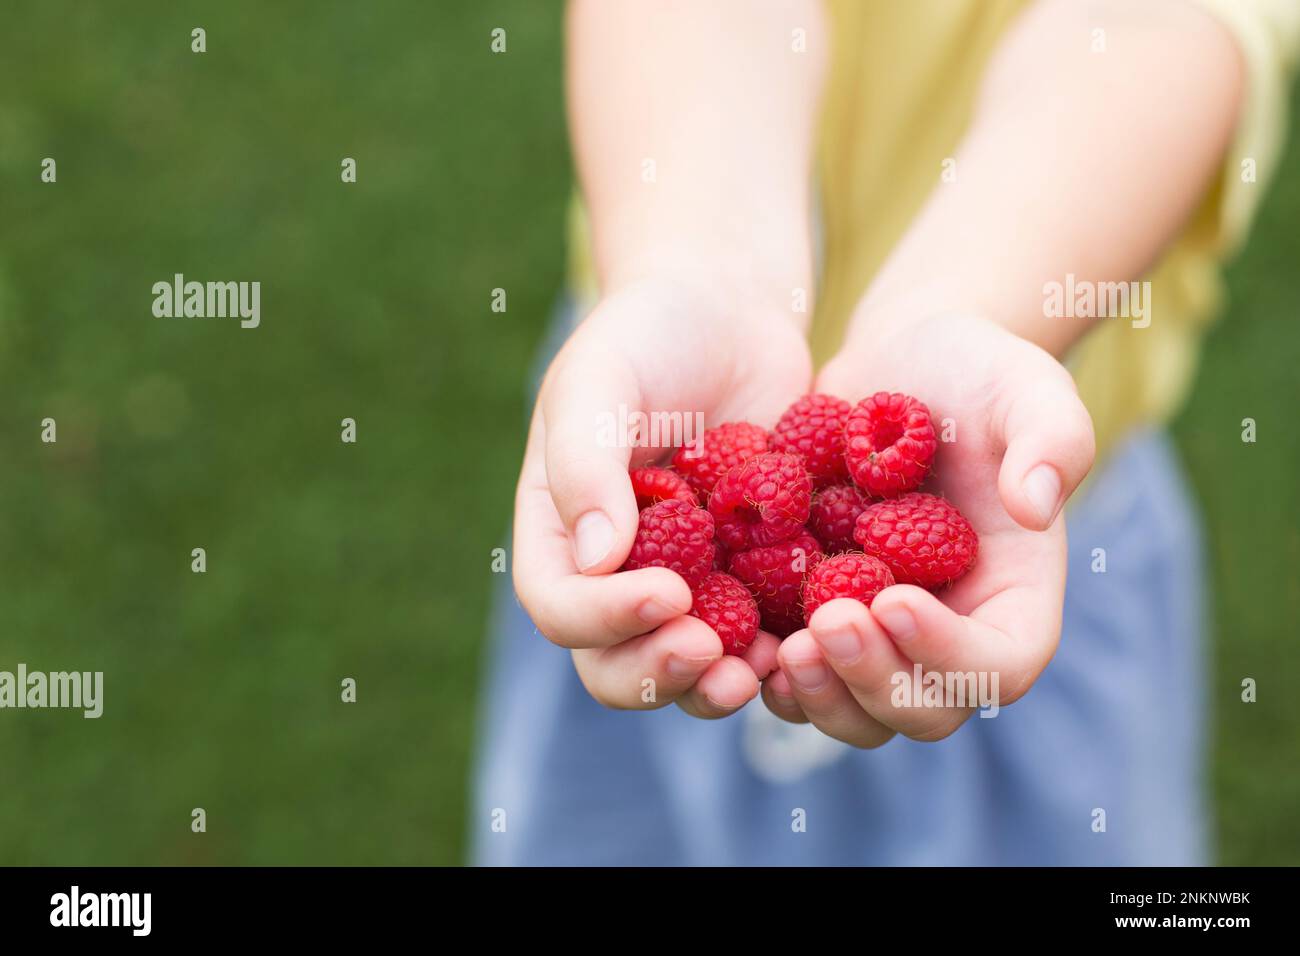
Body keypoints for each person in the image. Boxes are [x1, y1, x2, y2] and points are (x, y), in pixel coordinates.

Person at [473, 0, 1298, 865]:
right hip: (646, 418)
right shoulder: (681, 484)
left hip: (1019, 531)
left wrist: (960, 309)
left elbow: (1147, 30)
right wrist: (696, 272)